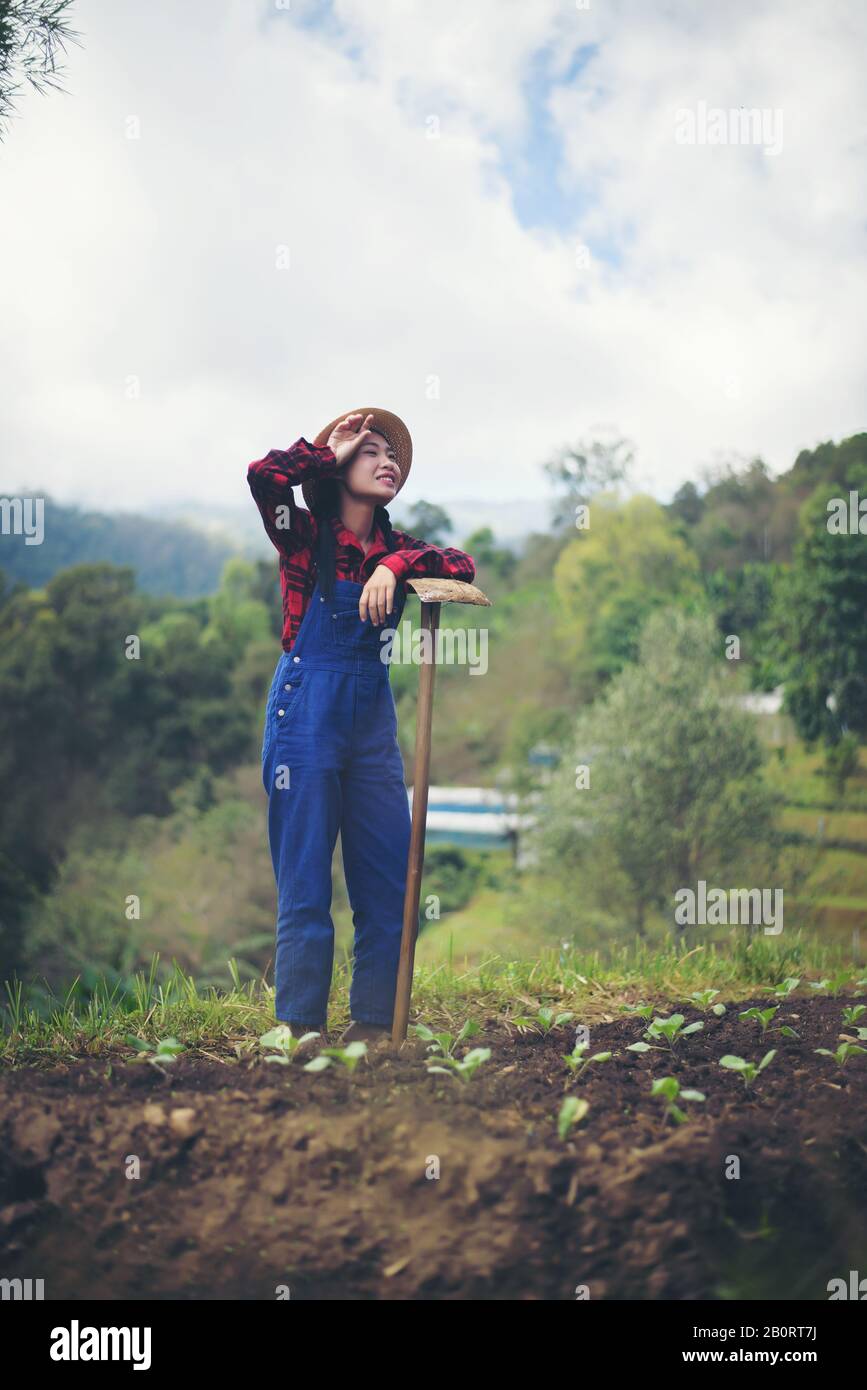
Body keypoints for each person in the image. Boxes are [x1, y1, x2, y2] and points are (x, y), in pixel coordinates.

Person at [247, 409, 476, 1044]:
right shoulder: (302, 534)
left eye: (392, 455)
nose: (388, 462)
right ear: (340, 464)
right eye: (369, 451)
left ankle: (375, 1029)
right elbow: (264, 477)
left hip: (372, 728)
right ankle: (300, 1032)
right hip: (305, 719)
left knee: (388, 882)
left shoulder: (400, 551)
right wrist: (326, 451)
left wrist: (393, 569)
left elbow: (462, 564)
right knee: (307, 888)